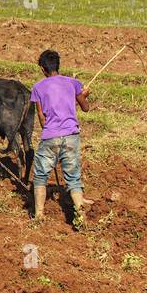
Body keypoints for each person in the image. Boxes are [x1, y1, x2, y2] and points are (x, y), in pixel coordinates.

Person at [29, 49, 91, 228]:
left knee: (40, 176)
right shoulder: (73, 83)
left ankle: (39, 215)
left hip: (50, 136)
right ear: (58, 65)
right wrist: (84, 95)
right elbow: (85, 107)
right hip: (71, 136)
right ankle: (80, 216)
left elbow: (41, 117)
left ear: (42, 68)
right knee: (73, 178)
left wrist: (48, 130)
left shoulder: (38, 87)